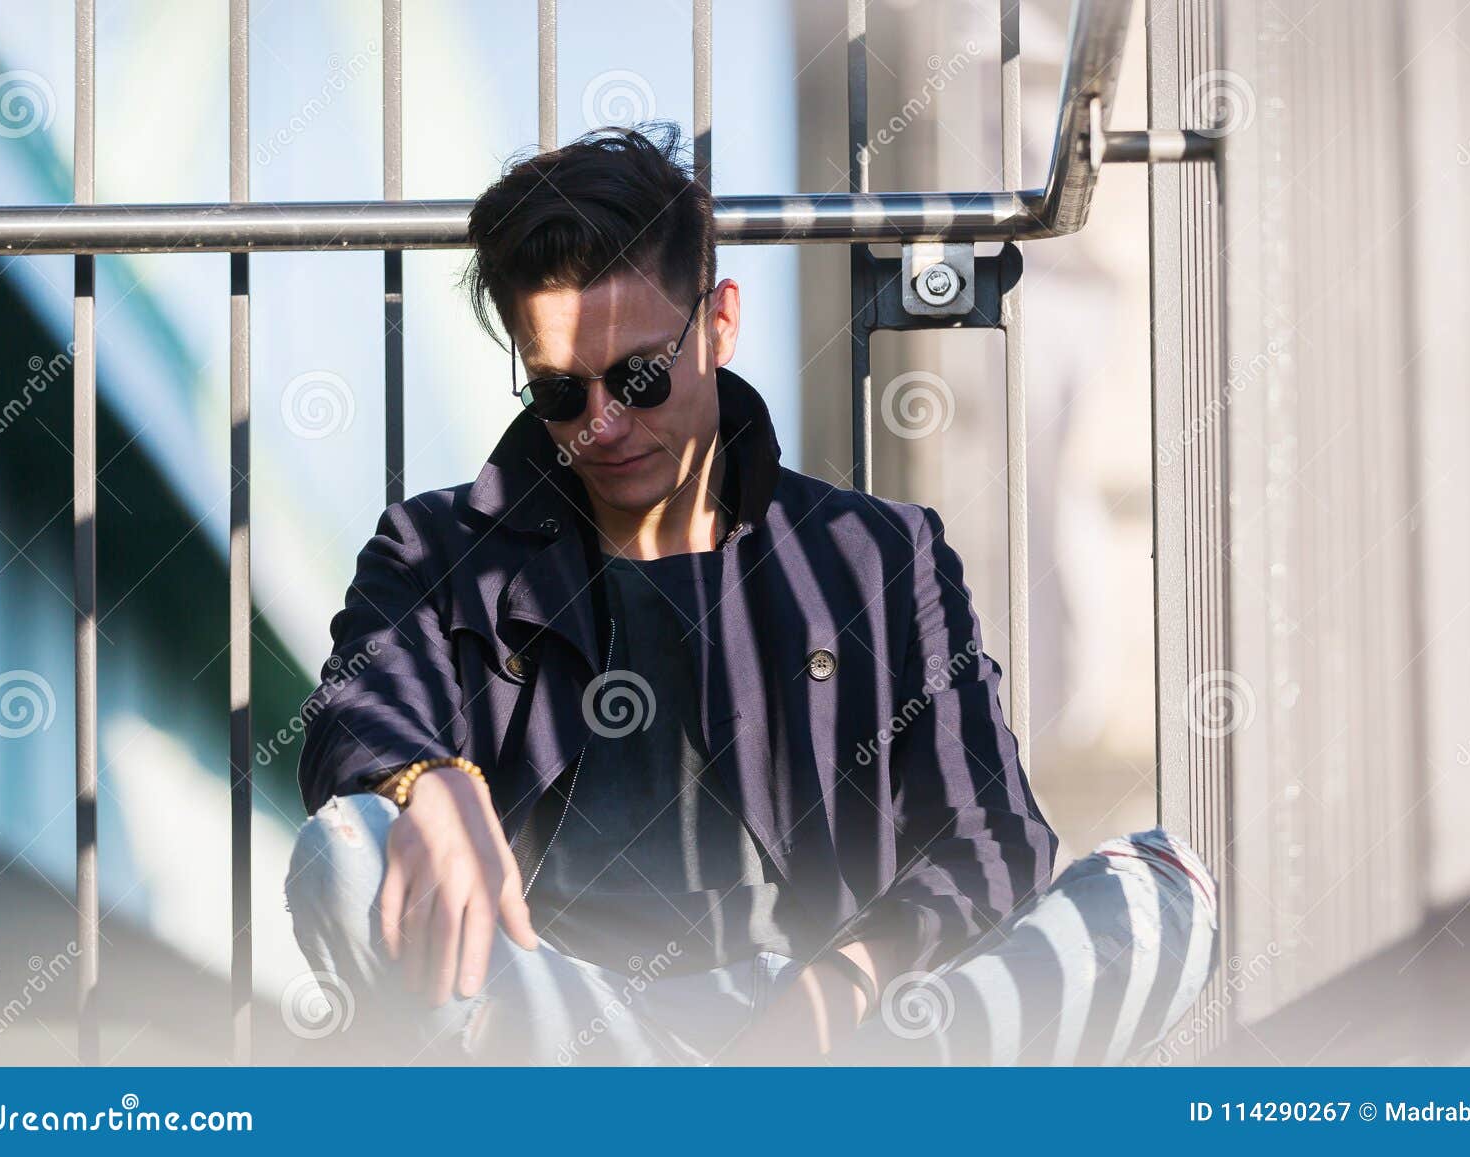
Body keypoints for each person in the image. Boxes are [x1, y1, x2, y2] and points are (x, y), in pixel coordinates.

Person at [285, 123, 1216, 1066]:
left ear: (721, 321)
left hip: (839, 1035)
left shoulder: (873, 554)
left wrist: (842, 984)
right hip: (574, 1020)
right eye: (561, 393)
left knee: (1161, 898)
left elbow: (991, 839)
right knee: (348, 849)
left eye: (642, 375)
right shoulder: (444, 550)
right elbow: (349, 715)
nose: (602, 424)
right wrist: (429, 784)